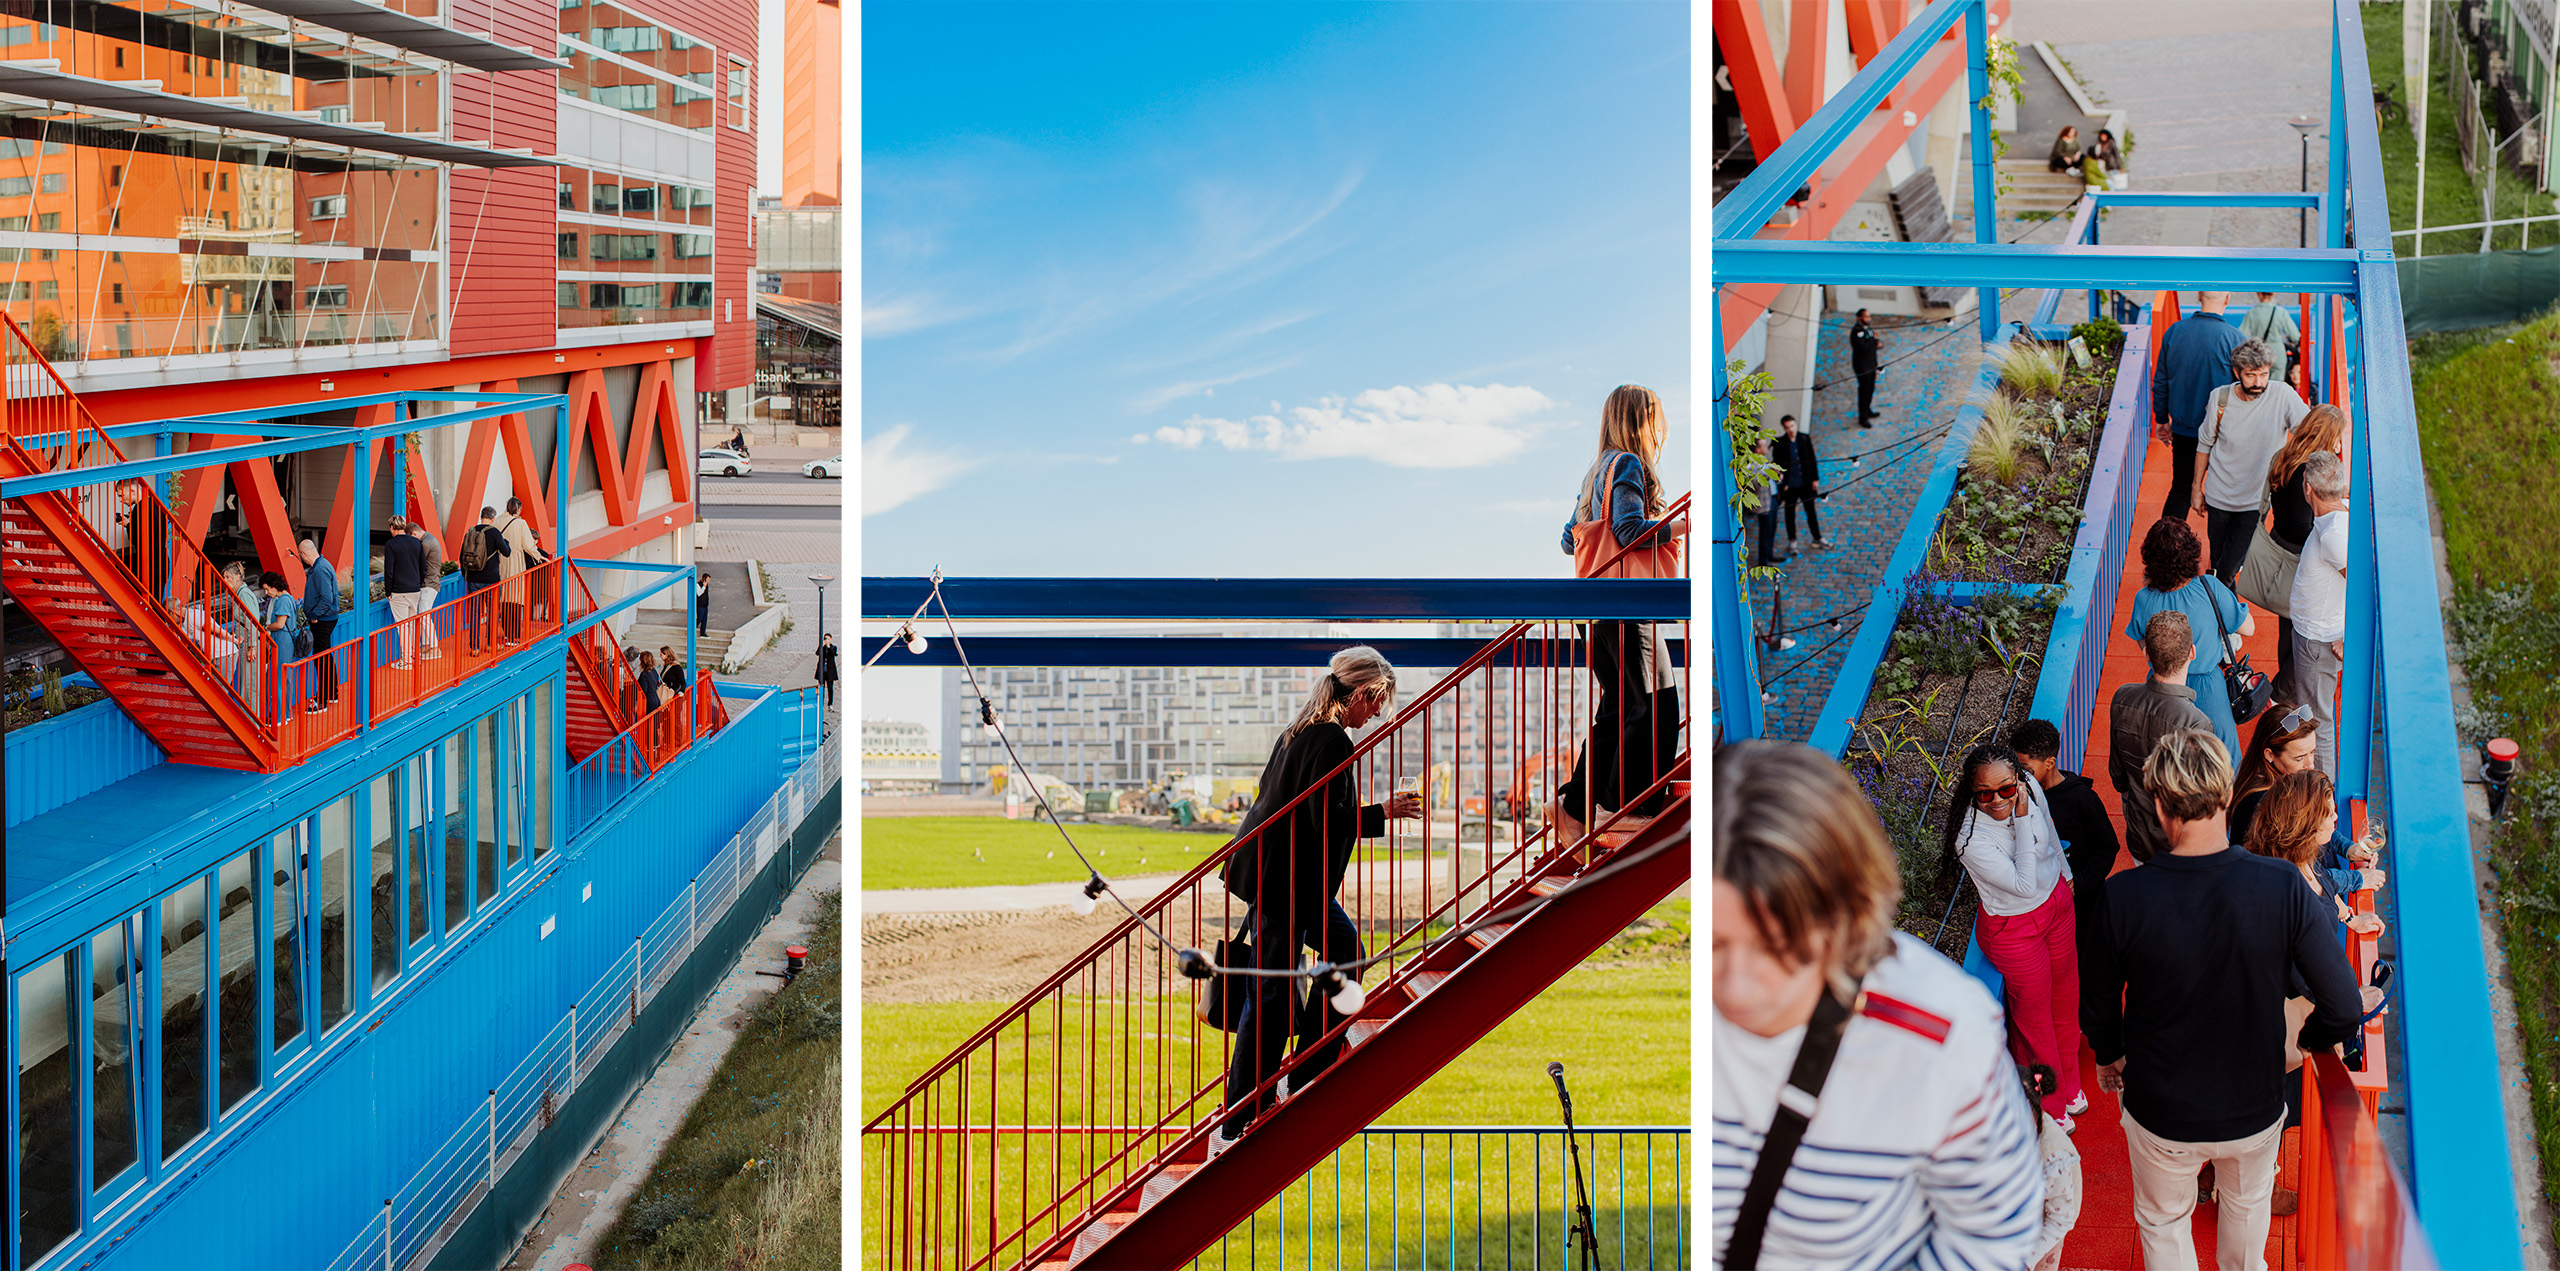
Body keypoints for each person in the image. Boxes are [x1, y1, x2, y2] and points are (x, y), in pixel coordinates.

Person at [1711, 741, 2043, 1268]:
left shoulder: (1940, 1033)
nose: (1737, 986)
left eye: (1778, 946)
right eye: (1712, 945)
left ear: (1849, 913)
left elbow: (1992, 1235)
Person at [2083, 727, 2367, 1271]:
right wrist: (2306, 1042)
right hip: (2254, 1104)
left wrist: (2109, 1053)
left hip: (2160, 1107)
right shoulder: (2282, 885)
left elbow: (2097, 1001)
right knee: (2247, 1207)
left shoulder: (2123, 896)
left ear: (2160, 803)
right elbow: (2345, 1006)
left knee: (2165, 1223)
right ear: (2222, 795)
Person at [1212, 648, 1425, 1154]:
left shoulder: (1298, 731)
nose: (1377, 714)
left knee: (1322, 957)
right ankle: (1248, 1110)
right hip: (1288, 882)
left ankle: (1302, 1065)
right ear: (1362, 694)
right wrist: (1384, 812)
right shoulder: (1332, 740)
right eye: (1377, 703)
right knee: (1270, 995)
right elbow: (1325, 820)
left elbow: (1283, 802)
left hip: (1277, 876)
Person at [1552, 385, 1688, 847]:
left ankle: (1574, 806)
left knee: (1617, 709)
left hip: (1596, 608)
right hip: (1630, 605)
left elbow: (1570, 541)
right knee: (1655, 704)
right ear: (1642, 422)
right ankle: (1623, 807)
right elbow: (1628, 529)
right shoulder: (1628, 464)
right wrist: (1682, 524)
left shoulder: (1597, 470)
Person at [1940, 743, 2084, 1129]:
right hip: (2014, 929)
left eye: (2006, 789)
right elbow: (2022, 884)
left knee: (2066, 998)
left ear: (2018, 779)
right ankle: (2048, 1101)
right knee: (2034, 1020)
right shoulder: (1969, 839)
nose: (1996, 800)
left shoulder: (2031, 788)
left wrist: (2066, 875)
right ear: (1973, 793)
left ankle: (2070, 1086)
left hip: (2056, 904)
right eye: (1984, 794)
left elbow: (2050, 833)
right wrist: (2020, 818)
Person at [2245, 770, 2385, 1087]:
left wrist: (2351, 919)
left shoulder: (2307, 857)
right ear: (2306, 822)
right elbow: (2300, 976)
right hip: (2296, 1027)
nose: (2337, 818)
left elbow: (2327, 888)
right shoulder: (2281, 891)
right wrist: (2354, 999)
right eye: (2329, 812)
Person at [2011, 718, 2121, 1007]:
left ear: (2049, 762)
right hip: (2042, 908)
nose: (2021, 777)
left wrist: (2079, 885)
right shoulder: (2019, 799)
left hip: (2084, 908)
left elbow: (2107, 848)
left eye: (2026, 769)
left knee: (2088, 965)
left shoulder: (2082, 800)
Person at [2122, 516, 2253, 759]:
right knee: (2222, 756)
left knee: (2168, 757)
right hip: (2209, 686)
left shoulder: (2143, 599)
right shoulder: (2208, 587)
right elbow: (2249, 628)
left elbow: (2144, 644)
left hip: (2162, 685)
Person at [2228, 701, 2384, 896]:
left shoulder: (2287, 782)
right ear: (2270, 755)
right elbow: (2300, 877)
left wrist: (2348, 848)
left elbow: (2312, 827)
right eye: (2299, 758)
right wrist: (2357, 879)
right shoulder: (2263, 804)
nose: (2310, 765)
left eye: (2312, 752)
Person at [2195, 339, 2309, 586]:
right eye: (2251, 375)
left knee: (2225, 570)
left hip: (2255, 500)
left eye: (2264, 374)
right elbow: (2204, 445)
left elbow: (2308, 430)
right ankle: (2227, 619)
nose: (2258, 382)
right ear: (2237, 373)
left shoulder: (2282, 394)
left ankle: (2231, 619)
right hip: (2219, 496)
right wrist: (2196, 489)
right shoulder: (2220, 398)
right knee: (2218, 566)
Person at [2109, 610, 2215, 864]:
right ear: (2192, 652)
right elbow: (2200, 797)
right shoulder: (2196, 722)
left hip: (2138, 832)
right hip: (2179, 844)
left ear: (2146, 654)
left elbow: (2118, 771)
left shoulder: (2122, 696)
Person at [2260, 403, 2345, 693]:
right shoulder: (2307, 474)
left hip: (2280, 547)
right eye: (2337, 436)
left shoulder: (2285, 456)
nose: (2339, 444)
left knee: (2289, 628)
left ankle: (2283, 692)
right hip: (2298, 557)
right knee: (2301, 631)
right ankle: (2282, 695)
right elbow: (2302, 524)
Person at [2153, 292, 2245, 521]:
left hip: (2185, 429)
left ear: (2197, 297)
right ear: (2228, 298)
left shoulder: (2174, 332)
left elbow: (2161, 381)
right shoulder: (2235, 339)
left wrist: (2162, 419)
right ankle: (2222, 556)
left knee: (2180, 489)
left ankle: (2167, 550)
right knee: (2223, 495)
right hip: (2223, 433)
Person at [2289, 451, 2349, 779]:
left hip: (2318, 641)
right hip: (2313, 633)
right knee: (2313, 713)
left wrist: (2348, 637)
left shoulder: (2333, 536)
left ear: (2308, 489)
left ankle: (2322, 794)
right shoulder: (2339, 516)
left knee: (2318, 722)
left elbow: (2364, 586)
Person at [1772, 414, 1828, 552]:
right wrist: (1783, 483)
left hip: (1805, 483)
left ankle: (1817, 537)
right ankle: (1792, 541)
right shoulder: (1780, 443)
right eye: (1787, 427)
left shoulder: (1804, 438)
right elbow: (1777, 465)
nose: (1790, 429)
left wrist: (1815, 479)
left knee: (1811, 511)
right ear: (1784, 428)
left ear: (1795, 424)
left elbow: (1811, 459)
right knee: (1789, 514)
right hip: (1790, 486)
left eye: (1792, 426)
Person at [297, 537, 340, 710]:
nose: (301, 558)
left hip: (322, 620)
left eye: (301, 555)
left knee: (320, 659)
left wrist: (314, 615)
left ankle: (321, 701)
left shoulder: (320, 569)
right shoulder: (323, 565)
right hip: (326, 618)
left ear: (305, 553)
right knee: (326, 656)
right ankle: (331, 692)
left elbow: (326, 598)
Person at [459, 507, 510, 655]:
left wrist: (466, 576)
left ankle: (474, 647)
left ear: (481, 517)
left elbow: (462, 556)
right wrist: (504, 542)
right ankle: (490, 644)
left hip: (473, 579)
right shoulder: (494, 532)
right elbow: (506, 552)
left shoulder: (471, 532)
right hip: (491, 580)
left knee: (474, 612)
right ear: (493, 519)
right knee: (492, 611)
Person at [495, 496, 546, 645]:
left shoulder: (497, 522)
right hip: (515, 564)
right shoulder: (521, 523)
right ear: (518, 509)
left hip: (500, 564)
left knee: (504, 600)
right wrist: (539, 557)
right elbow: (529, 546)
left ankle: (505, 633)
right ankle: (513, 636)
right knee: (515, 600)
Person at [258, 570, 308, 716]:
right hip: (285, 640)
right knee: (281, 678)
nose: (266, 592)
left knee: (278, 679)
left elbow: (280, 624)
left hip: (282, 640)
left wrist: (265, 627)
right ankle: (283, 713)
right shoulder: (287, 598)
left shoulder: (283, 600)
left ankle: (280, 715)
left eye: (267, 588)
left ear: (275, 586)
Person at [384, 516, 428, 668]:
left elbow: (389, 570)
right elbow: (424, 567)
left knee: (403, 627)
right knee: (413, 624)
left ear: (392, 527)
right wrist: (418, 582)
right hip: (414, 590)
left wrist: (388, 591)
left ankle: (407, 660)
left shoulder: (391, 545)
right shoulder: (416, 542)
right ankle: (416, 655)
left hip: (398, 591)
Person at [2238, 292, 2301, 384]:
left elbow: (2241, 334)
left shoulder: (2252, 313)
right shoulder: (2281, 311)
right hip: (2277, 353)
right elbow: (2295, 335)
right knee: (2277, 385)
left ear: (2259, 294)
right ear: (2273, 294)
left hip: (2259, 352)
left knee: (2259, 381)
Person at [1752, 435, 1785, 567]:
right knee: (1765, 531)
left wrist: (1778, 476)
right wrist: (1768, 474)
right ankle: (1763, 561)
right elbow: (1754, 484)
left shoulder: (1765, 461)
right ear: (1757, 449)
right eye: (1764, 446)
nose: (1767, 448)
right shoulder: (1752, 464)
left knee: (1772, 529)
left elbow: (1773, 480)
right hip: (1764, 503)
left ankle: (1769, 555)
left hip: (1773, 498)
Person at [415, 520, 446, 659]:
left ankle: (434, 648)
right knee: (423, 615)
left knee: (424, 614)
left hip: (428, 584)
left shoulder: (425, 543)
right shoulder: (430, 539)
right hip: (432, 582)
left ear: (414, 533)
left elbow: (418, 563)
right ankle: (428, 645)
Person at [1849, 308, 1881, 427]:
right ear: (1859, 318)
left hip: (1871, 364)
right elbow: (1862, 346)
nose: (1869, 319)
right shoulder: (1857, 331)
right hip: (1863, 366)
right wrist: (1873, 341)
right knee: (1864, 391)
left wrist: (1876, 343)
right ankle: (1863, 417)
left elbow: (1870, 342)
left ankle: (1868, 410)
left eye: (1869, 316)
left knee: (1870, 389)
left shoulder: (1867, 328)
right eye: (1866, 317)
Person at [814, 632, 839, 708]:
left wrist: (828, 646)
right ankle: (821, 701)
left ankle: (830, 703)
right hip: (822, 671)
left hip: (830, 672)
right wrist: (822, 645)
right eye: (825, 639)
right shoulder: (822, 648)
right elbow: (817, 653)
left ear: (830, 639)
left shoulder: (833, 647)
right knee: (822, 687)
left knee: (830, 688)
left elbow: (833, 654)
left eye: (828, 639)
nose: (827, 640)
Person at [695, 570, 712, 636]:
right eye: (707, 580)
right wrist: (704, 587)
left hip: (705, 605)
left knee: (704, 620)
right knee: (700, 618)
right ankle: (693, 628)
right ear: (704, 579)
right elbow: (699, 593)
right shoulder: (698, 585)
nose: (708, 581)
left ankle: (703, 633)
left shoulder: (707, 585)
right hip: (700, 605)